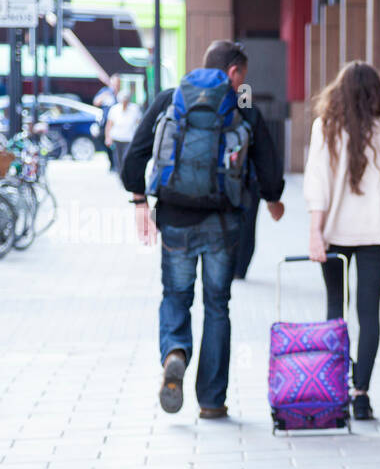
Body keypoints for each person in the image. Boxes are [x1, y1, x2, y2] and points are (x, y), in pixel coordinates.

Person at [121, 40, 285, 419]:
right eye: (243, 75)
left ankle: (175, 351)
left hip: (175, 220)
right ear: (233, 72)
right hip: (224, 225)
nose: (244, 82)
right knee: (216, 306)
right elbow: (270, 174)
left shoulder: (169, 99)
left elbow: (134, 160)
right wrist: (274, 199)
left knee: (176, 296)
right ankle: (211, 400)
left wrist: (140, 203)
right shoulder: (243, 108)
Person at [302, 60, 380, 422]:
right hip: (377, 235)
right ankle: (362, 395)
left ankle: (334, 388)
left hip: (333, 234)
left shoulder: (325, 127)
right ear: (376, 94)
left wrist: (315, 233)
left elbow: (317, 185)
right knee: (368, 314)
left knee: (334, 310)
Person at [105, 91, 141, 175]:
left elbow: (139, 123)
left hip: (129, 138)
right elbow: (109, 124)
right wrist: (108, 137)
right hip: (117, 137)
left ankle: (127, 174)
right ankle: (121, 175)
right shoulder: (114, 109)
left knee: (127, 158)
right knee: (118, 159)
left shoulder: (134, 109)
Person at [93, 74, 120, 172]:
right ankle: (112, 163)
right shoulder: (105, 92)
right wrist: (106, 95)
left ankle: (117, 163)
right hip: (106, 122)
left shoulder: (120, 94)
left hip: (117, 123)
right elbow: (96, 102)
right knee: (106, 142)